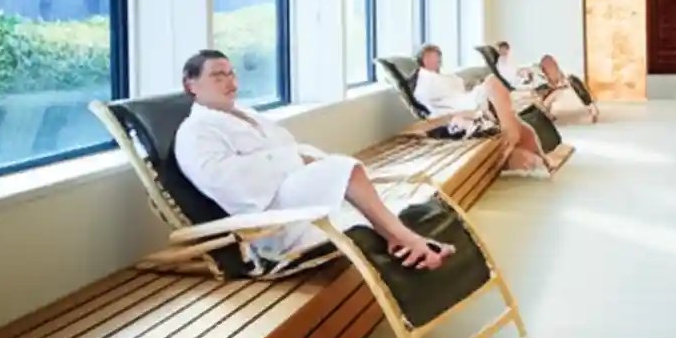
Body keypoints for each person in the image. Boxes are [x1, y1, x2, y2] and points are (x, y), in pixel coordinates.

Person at [174, 49, 453, 270]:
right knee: (343, 169)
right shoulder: (195, 132)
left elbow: (289, 148)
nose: (231, 82)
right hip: (270, 217)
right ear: (191, 84)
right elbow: (228, 184)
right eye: (218, 76)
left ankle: (411, 241)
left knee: (354, 184)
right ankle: (404, 238)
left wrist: (304, 160)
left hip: (291, 192)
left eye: (232, 73)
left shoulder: (246, 114)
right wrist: (295, 161)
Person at [413, 44, 557, 174]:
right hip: (461, 108)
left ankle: (541, 159)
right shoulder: (424, 80)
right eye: (434, 56)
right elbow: (436, 105)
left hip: (468, 101)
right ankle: (511, 134)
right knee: (492, 81)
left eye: (439, 55)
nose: (438, 59)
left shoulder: (444, 76)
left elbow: (458, 90)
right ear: (424, 59)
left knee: (526, 131)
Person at [539, 54, 599, 122]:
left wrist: (592, 109)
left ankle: (593, 109)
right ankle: (545, 114)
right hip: (548, 90)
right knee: (543, 95)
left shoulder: (568, 76)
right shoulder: (541, 78)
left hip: (563, 83)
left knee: (573, 83)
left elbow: (581, 90)